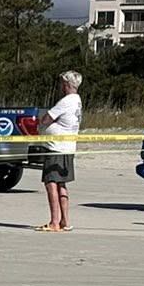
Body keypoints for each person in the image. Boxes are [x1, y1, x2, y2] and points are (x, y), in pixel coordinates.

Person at [38, 71, 82, 234]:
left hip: (57, 147)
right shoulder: (77, 100)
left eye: (62, 83)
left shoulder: (66, 101)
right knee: (61, 183)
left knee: (51, 183)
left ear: (66, 84)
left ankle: (54, 221)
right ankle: (64, 220)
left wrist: (41, 125)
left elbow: (47, 118)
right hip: (68, 147)